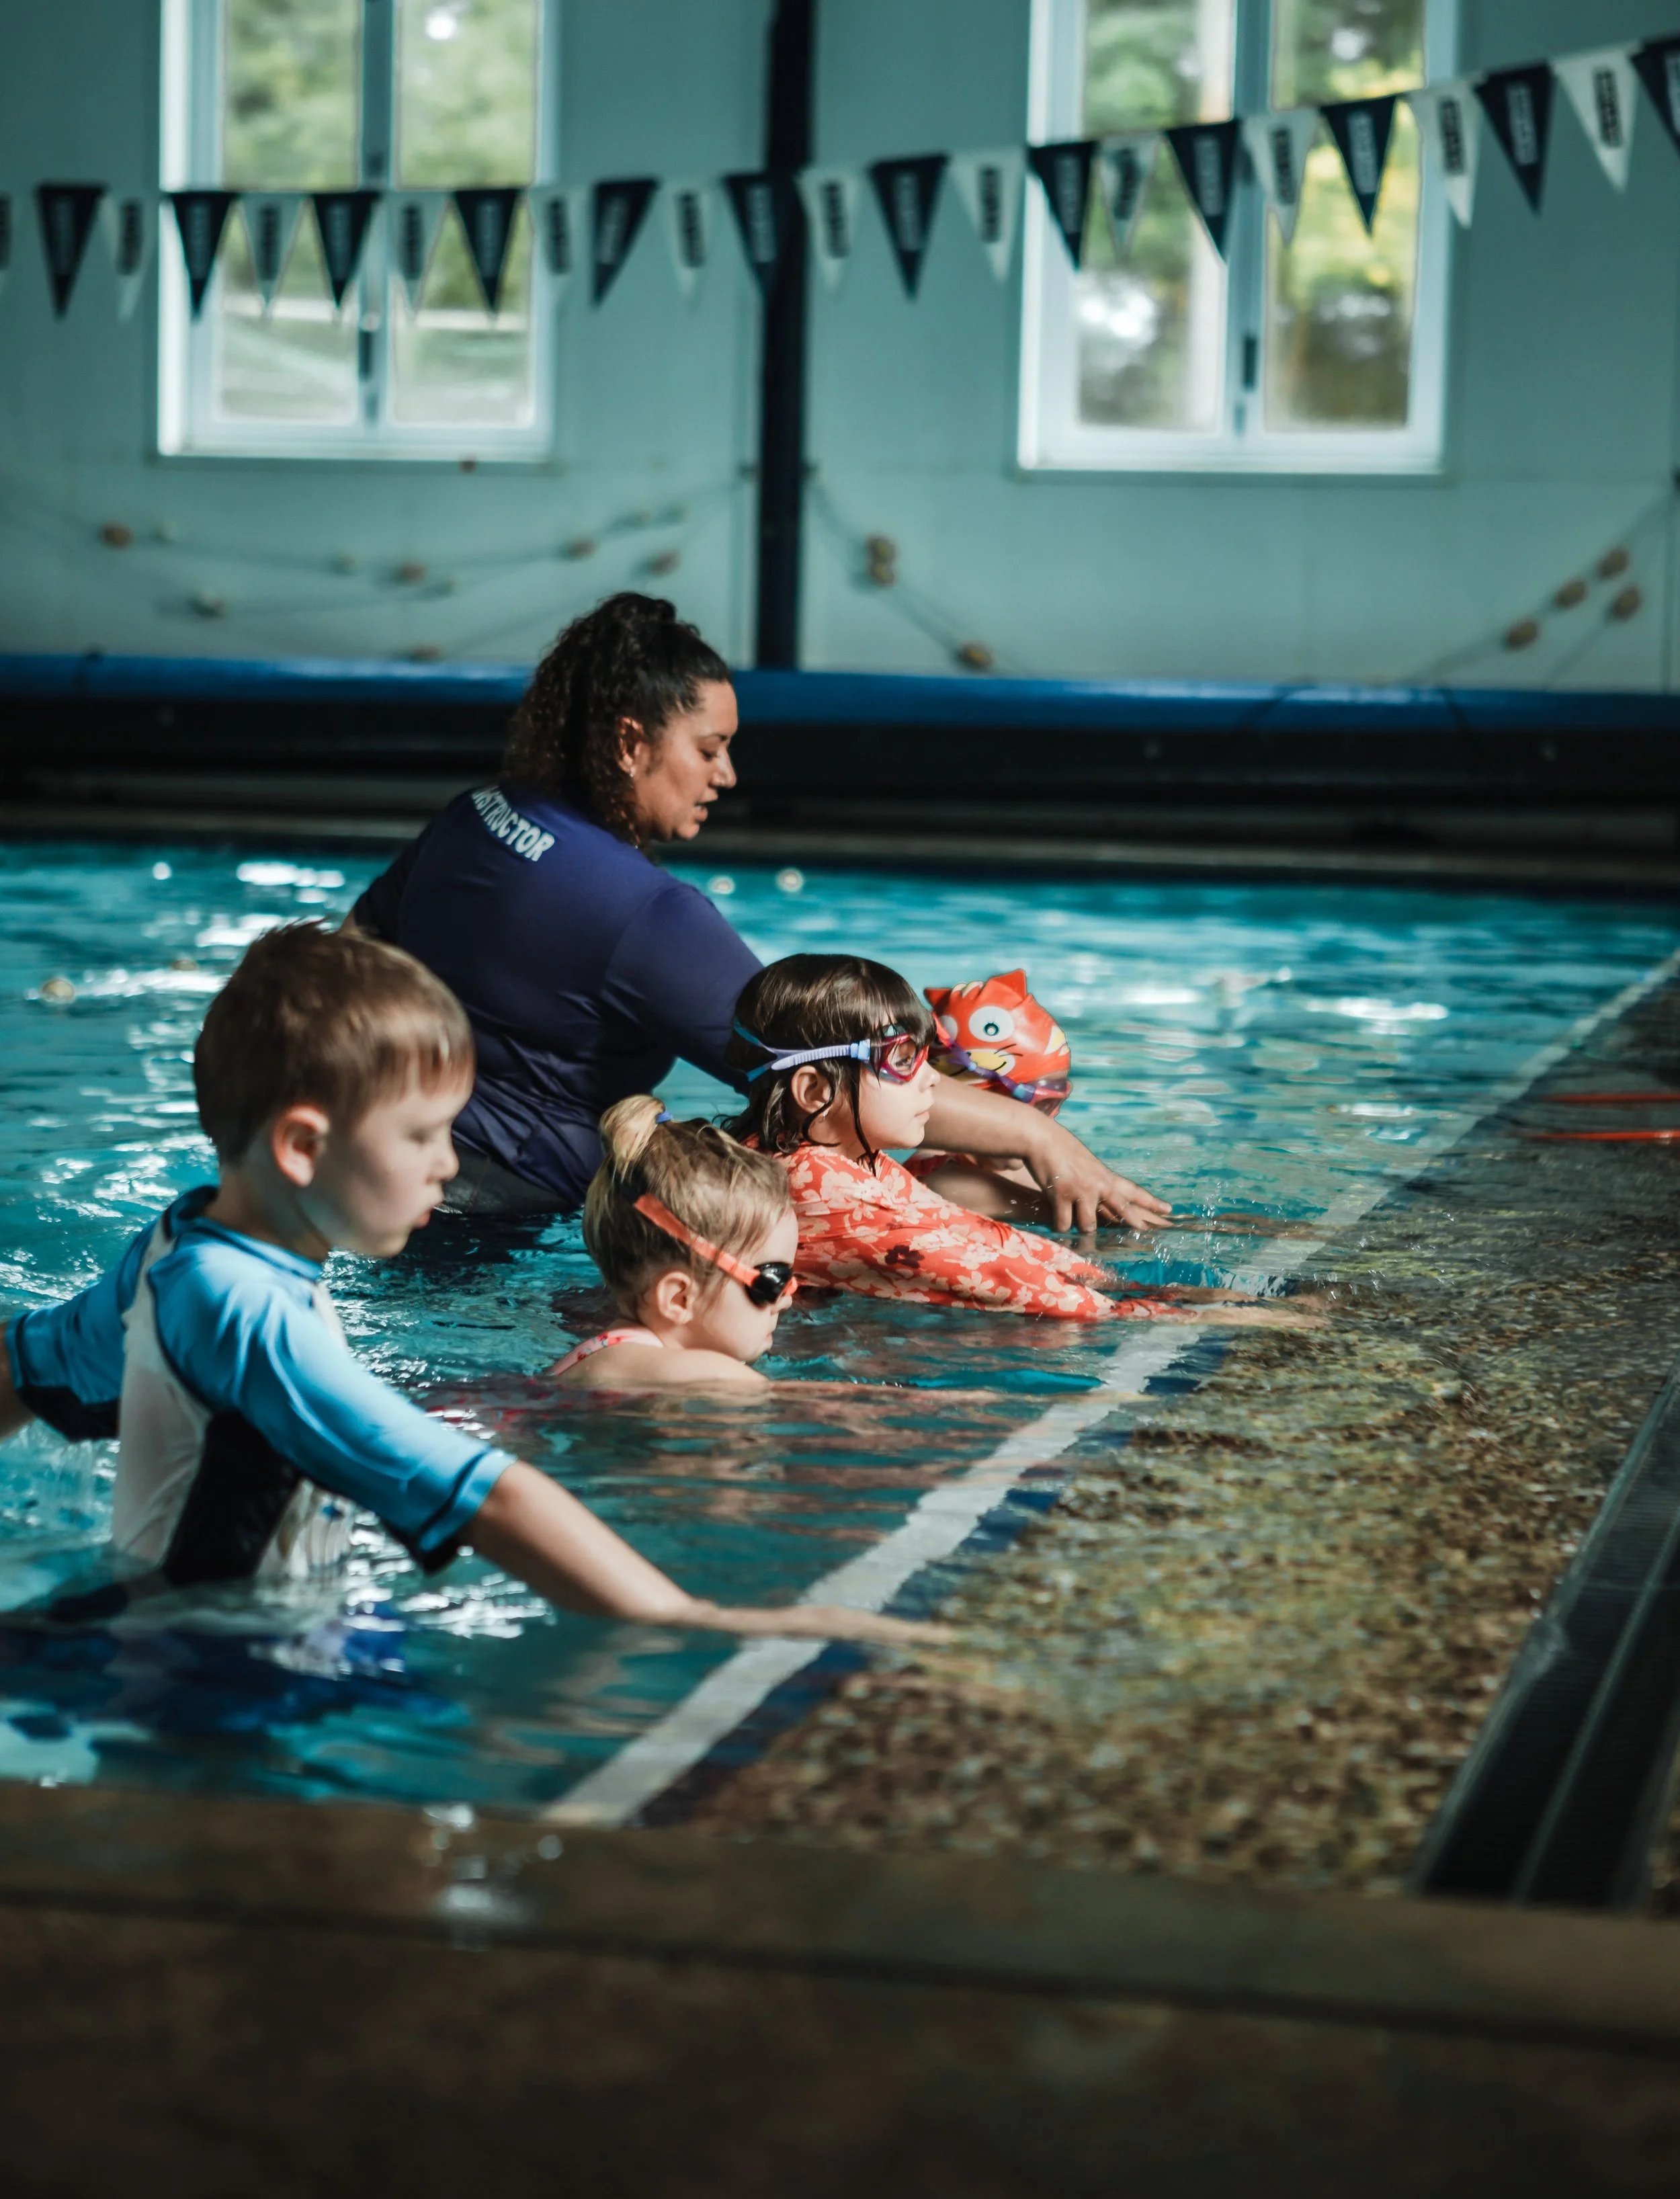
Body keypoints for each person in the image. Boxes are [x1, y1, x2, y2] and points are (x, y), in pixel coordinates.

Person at [0, 923, 935, 1649]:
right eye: (421, 1136)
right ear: (301, 1147)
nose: (450, 1165)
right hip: (202, 1669)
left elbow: (22, 1369)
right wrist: (691, 1618)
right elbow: (481, 1495)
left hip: (220, 1629)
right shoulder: (240, 1309)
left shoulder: (175, 1245)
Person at [347, 590, 1171, 1233]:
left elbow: (353, 953)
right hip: (503, 1218)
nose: (727, 774)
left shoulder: (476, 814)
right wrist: (1041, 1140)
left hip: (389, 1159)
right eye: (708, 748)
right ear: (630, 742)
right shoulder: (646, 914)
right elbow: (839, 1082)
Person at [726, 956, 1321, 1330]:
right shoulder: (815, 1186)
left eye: (928, 1055)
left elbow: (976, 1244)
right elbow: (996, 1278)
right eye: (903, 1059)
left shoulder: (841, 1159)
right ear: (812, 1089)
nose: (933, 1077)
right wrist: (1171, 1314)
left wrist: (1140, 1287)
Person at [550, 1097, 796, 1392]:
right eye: (773, 1279)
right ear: (679, 1298)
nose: (787, 1298)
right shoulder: (708, 1374)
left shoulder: (621, 1359)